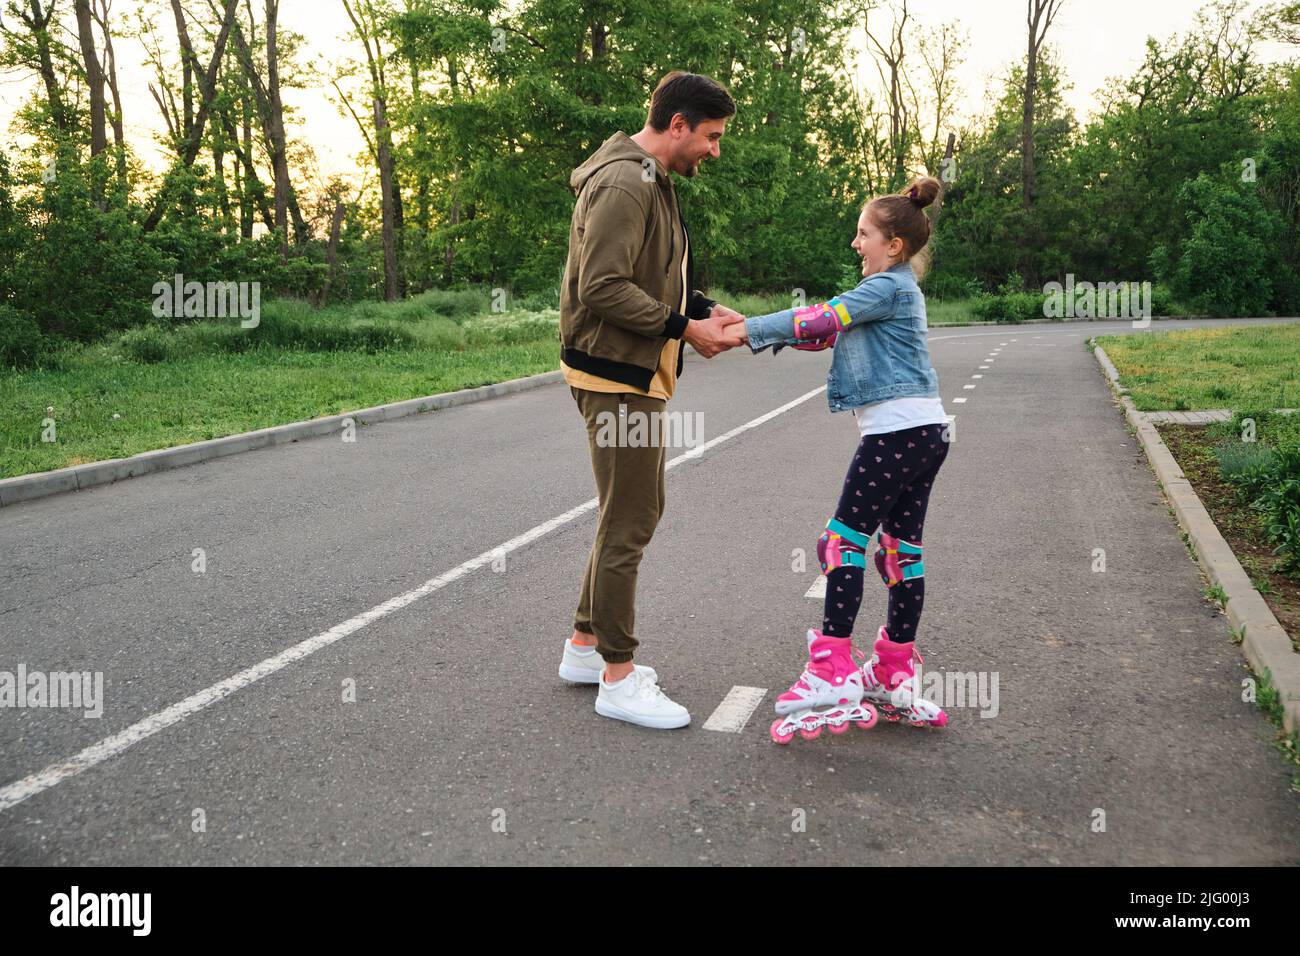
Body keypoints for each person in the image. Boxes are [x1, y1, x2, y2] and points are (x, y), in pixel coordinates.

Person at [721, 176, 953, 744]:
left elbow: (822, 317)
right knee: (900, 551)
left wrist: (740, 333)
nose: (856, 244)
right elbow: (825, 336)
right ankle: (894, 670)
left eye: (863, 234)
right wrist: (743, 325)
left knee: (840, 542)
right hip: (924, 433)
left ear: (892, 245)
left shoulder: (887, 287)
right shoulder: (893, 292)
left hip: (896, 435)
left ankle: (832, 671)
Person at [556, 71, 746, 729]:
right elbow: (600, 287)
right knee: (633, 517)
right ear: (677, 125)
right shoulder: (623, 183)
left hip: (631, 371)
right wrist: (682, 329)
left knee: (624, 512)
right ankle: (618, 676)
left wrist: (699, 307)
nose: (714, 151)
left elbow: (651, 272)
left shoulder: (650, 181)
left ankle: (586, 647)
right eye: (711, 137)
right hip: (614, 375)